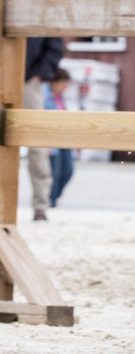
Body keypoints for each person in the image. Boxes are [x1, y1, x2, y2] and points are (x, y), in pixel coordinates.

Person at [24, 36, 64, 221]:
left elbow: (54, 47)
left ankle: (40, 205)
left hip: (29, 81)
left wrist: (39, 74)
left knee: (36, 143)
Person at [44, 67, 75, 208]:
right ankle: (50, 201)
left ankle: (53, 198)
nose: (65, 87)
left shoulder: (60, 98)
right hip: (51, 142)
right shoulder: (44, 97)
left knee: (68, 171)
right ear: (55, 82)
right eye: (63, 83)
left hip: (64, 141)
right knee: (54, 175)